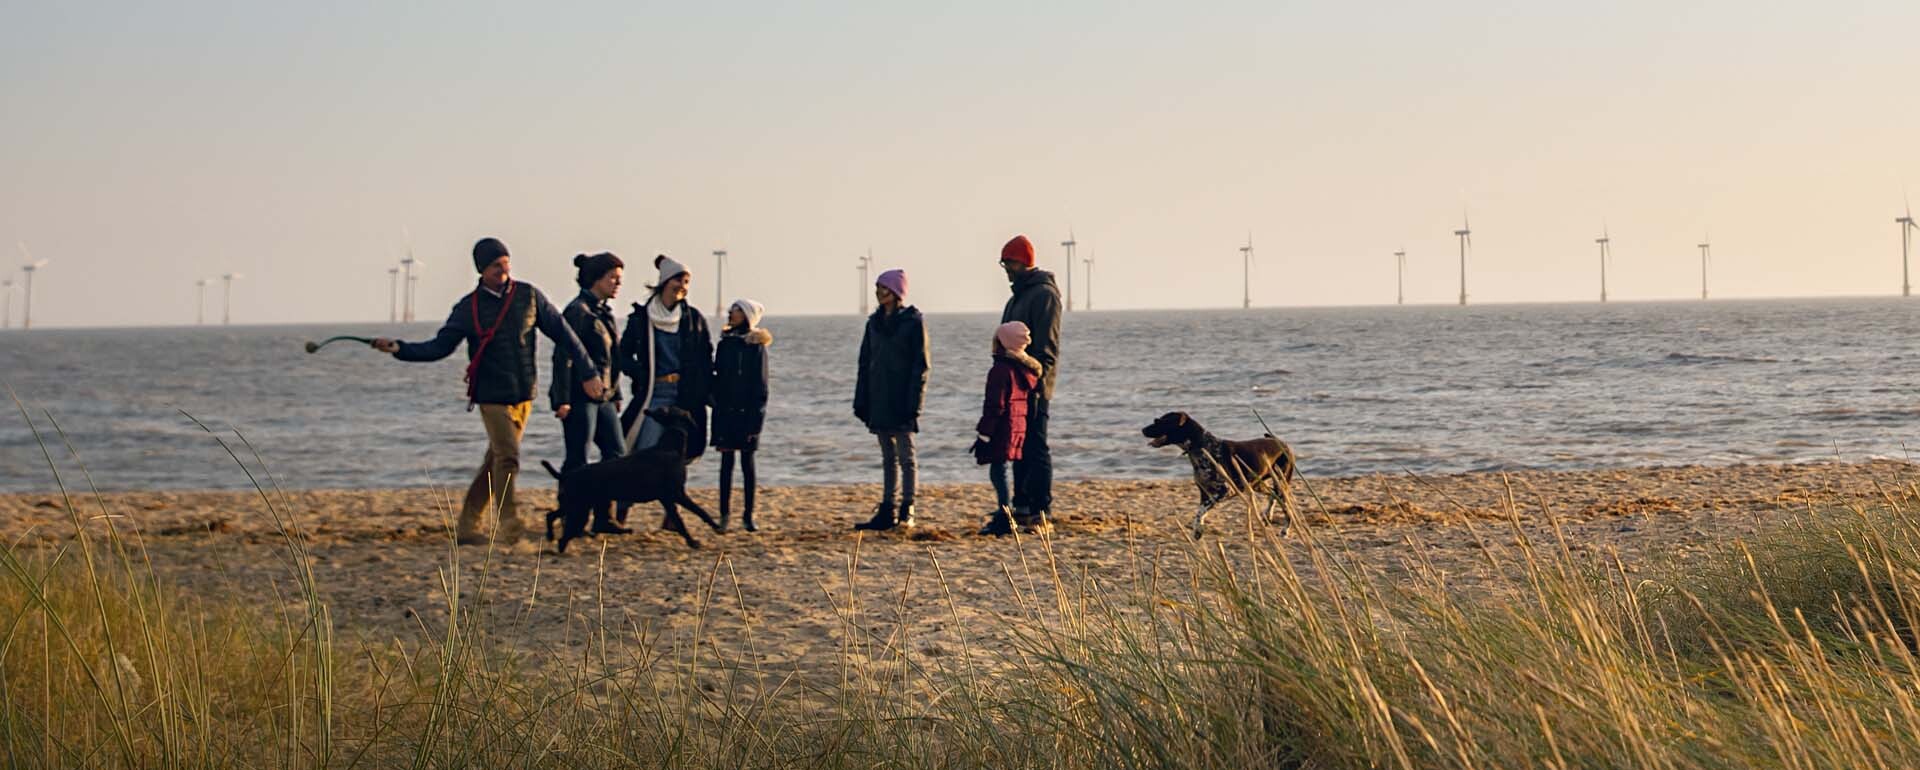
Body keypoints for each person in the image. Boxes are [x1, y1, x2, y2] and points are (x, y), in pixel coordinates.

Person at [373, 237, 601, 545]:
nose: (503, 270)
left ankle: (468, 527)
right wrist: (399, 348)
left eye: (506, 263)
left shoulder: (529, 296)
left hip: (524, 394)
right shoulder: (469, 308)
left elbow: (564, 334)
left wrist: (588, 372)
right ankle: (510, 526)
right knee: (508, 457)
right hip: (490, 395)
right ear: (482, 269)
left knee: (494, 461)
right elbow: (438, 347)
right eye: (496, 265)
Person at [549, 251, 628, 534]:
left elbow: (611, 359)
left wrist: (616, 393)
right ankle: (573, 518)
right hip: (579, 397)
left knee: (616, 455)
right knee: (578, 458)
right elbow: (563, 355)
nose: (618, 284)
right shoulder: (578, 311)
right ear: (597, 278)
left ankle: (604, 517)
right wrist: (561, 399)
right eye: (613, 278)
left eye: (620, 279)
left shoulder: (604, 311)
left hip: (605, 396)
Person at [851, 269, 929, 531]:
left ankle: (908, 507)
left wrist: (915, 402)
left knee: (906, 456)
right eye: (877, 288)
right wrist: (861, 398)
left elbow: (921, 365)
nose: (878, 293)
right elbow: (864, 361)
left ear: (895, 292)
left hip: (902, 396)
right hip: (879, 396)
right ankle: (887, 508)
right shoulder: (873, 323)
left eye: (883, 288)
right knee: (887, 456)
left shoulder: (913, 322)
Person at [997, 235, 1063, 532]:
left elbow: (1046, 345)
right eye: (1004, 263)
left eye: (1009, 263)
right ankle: (1021, 506)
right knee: (1018, 445)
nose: (1006, 269)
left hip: (1035, 385)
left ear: (1023, 262)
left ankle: (1041, 510)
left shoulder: (1044, 296)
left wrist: (1038, 381)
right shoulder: (1016, 298)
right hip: (1014, 386)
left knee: (1036, 446)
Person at [618, 254, 714, 456]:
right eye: (678, 280)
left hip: (686, 392)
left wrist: (705, 389)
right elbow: (622, 355)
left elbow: (705, 358)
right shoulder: (642, 318)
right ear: (664, 282)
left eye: (687, 282)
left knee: (681, 451)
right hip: (654, 392)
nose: (682, 286)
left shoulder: (693, 319)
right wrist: (639, 373)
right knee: (645, 446)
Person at [973, 321, 1042, 536]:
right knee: (1007, 469)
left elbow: (995, 405)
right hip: (1017, 426)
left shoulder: (1000, 370)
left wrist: (984, 434)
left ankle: (1004, 513)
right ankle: (1010, 509)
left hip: (1002, 427)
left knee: (998, 470)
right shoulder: (1026, 371)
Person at [710, 298, 772, 532]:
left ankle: (748, 515)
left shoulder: (756, 346)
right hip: (725, 412)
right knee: (726, 464)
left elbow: (761, 385)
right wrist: (714, 400)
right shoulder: (725, 344)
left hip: (747, 414)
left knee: (748, 463)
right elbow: (717, 376)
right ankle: (724, 514)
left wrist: (756, 420)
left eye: (736, 310)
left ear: (746, 315)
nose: (730, 313)